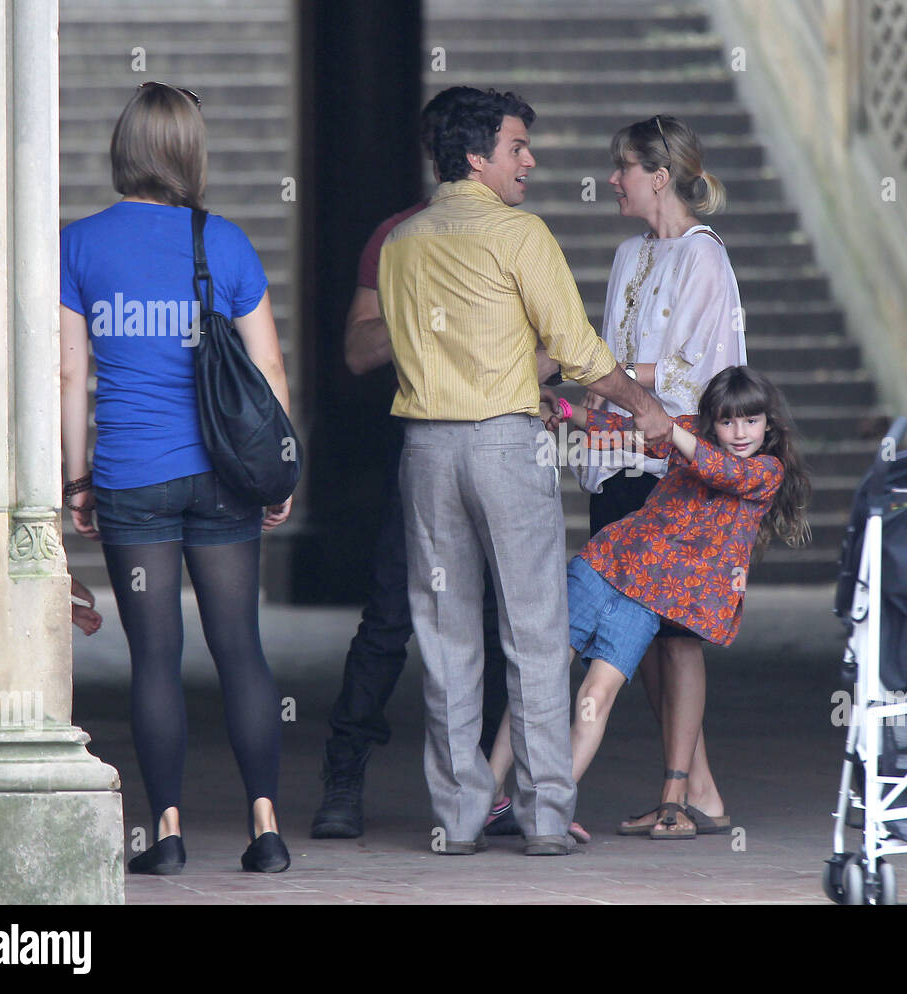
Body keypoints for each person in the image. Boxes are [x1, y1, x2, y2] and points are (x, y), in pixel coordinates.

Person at [378, 88, 671, 856]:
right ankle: (543, 815)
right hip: (508, 447)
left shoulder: (402, 243)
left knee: (445, 639)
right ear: (476, 157)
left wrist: (511, 381)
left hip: (427, 451)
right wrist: (640, 404)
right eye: (517, 148)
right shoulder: (520, 235)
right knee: (536, 632)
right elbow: (576, 347)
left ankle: (461, 817)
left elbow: (431, 348)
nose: (529, 161)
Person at [60, 82, 293, 874]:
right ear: (191, 152)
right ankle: (266, 829)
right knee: (241, 650)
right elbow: (267, 364)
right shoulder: (222, 241)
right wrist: (279, 466)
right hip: (225, 477)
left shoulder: (80, 244)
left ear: (124, 148)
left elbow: (67, 371)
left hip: (131, 480)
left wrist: (75, 479)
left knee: (154, 660)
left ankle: (165, 834)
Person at [312, 85, 541, 840]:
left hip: (498, 443)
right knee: (388, 621)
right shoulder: (398, 238)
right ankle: (344, 777)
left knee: (505, 619)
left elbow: (550, 348)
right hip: (419, 445)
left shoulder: (513, 236)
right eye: (512, 149)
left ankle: (486, 792)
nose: (523, 163)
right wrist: (428, 329)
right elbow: (355, 349)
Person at [487, 366, 811, 835]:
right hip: (604, 565)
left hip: (648, 604)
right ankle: (489, 795)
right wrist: (562, 408)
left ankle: (544, 813)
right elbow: (620, 430)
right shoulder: (687, 436)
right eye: (726, 422)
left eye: (751, 421)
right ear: (710, 423)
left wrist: (673, 432)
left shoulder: (764, 471)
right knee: (540, 672)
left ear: (769, 425)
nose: (740, 433)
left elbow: (720, 469)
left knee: (595, 697)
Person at [582, 115, 747, 840]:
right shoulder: (628, 255)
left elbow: (701, 373)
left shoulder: (706, 258)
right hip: (620, 461)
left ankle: (685, 792)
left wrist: (604, 375)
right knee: (636, 633)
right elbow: (615, 353)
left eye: (622, 167)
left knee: (676, 634)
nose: (612, 180)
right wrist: (600, 382)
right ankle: (698, 788)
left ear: (657, 175)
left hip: (675, 469)